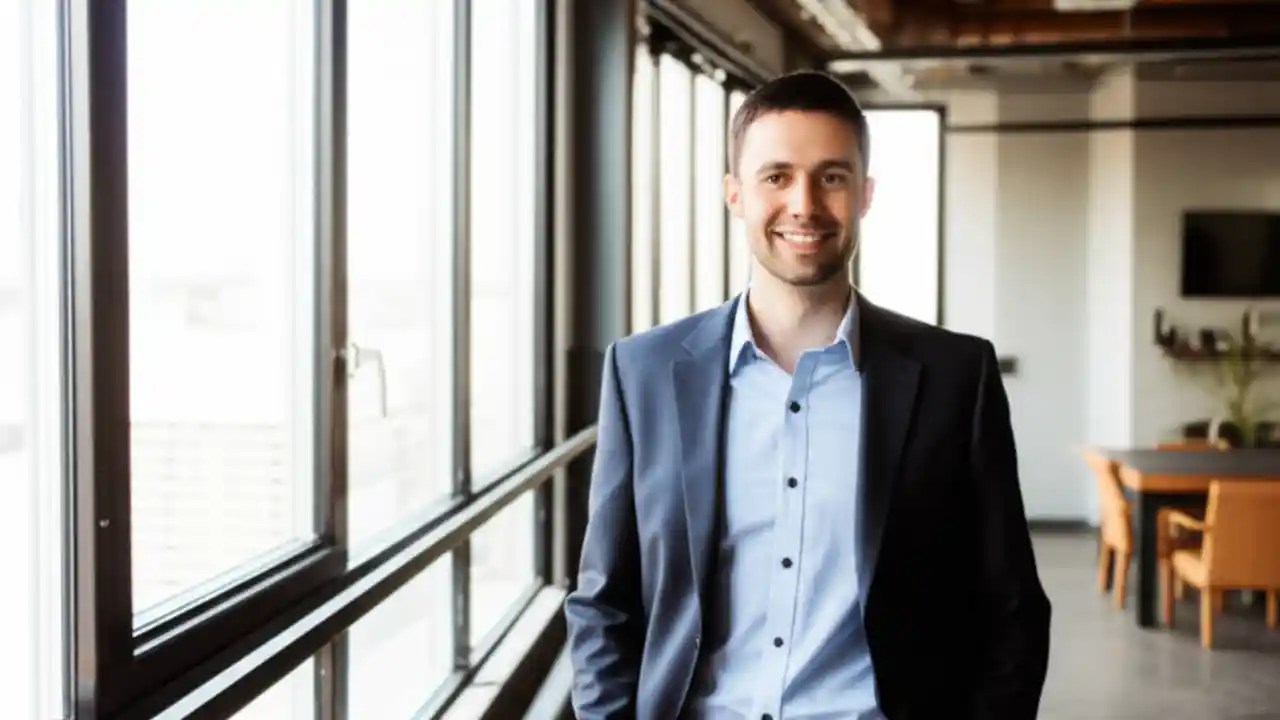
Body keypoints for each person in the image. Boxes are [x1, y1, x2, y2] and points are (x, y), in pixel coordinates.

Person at [564, 70, 1050, 720]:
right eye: (776, 176)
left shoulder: (956, 378)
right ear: (734, 194)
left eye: (831, 176)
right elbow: (604, 601)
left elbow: (1011, 606)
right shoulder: (643, 372)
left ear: (865, 193)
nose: (805, 203)